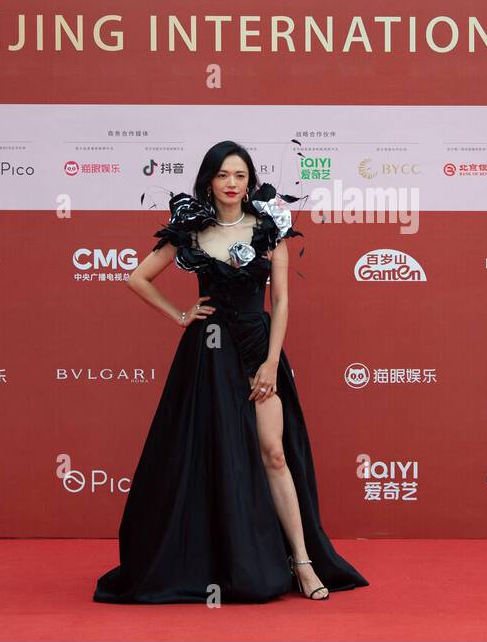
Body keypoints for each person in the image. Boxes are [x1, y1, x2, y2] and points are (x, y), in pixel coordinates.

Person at [93, 140, 369, 603]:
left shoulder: (270, 228)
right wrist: (179, 314)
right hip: (210, 354)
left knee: (273, 453)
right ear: (208, 180)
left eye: (239, 176)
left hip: (259, 350)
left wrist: (270, 364)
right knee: (214, 456)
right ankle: (224, 561)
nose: (231, 184)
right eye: (223, 175)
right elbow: (136, 277)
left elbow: (280, 300)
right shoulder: (193, 231)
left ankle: (302, 562)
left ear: (249, 182)